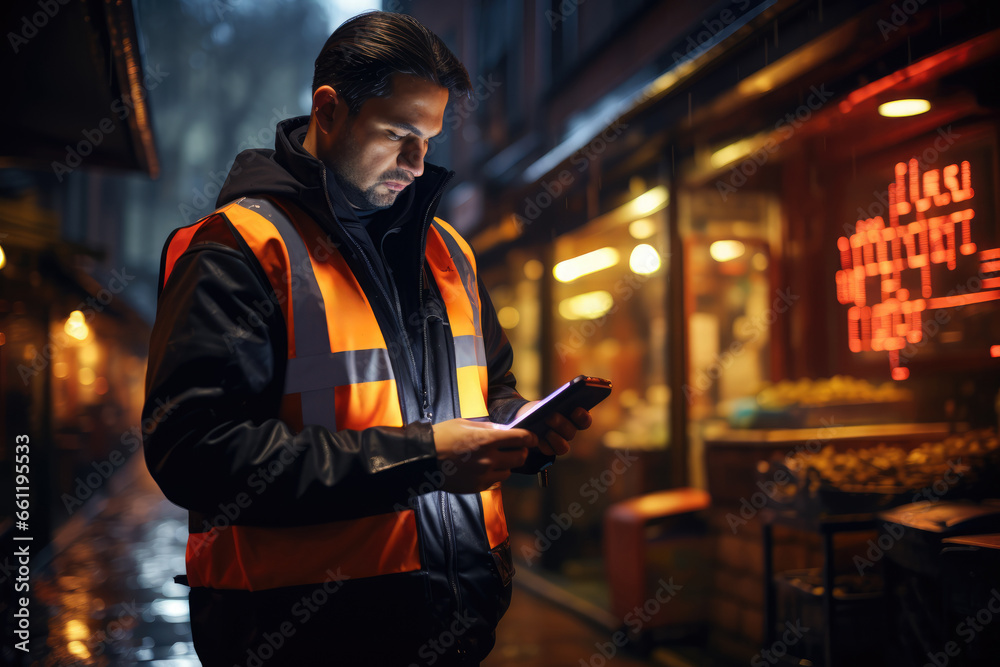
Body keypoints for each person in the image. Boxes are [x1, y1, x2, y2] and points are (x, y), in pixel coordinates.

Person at [142, 11, 591, 666]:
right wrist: (426, 459)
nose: (418, 163)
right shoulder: (237, 248)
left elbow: (491, 389)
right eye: (396, 134)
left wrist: (519, 432)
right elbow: (193, 452)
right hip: (298, 640)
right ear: (328, 111)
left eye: (430, 138)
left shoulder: (450, 253)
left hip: (456, 627)